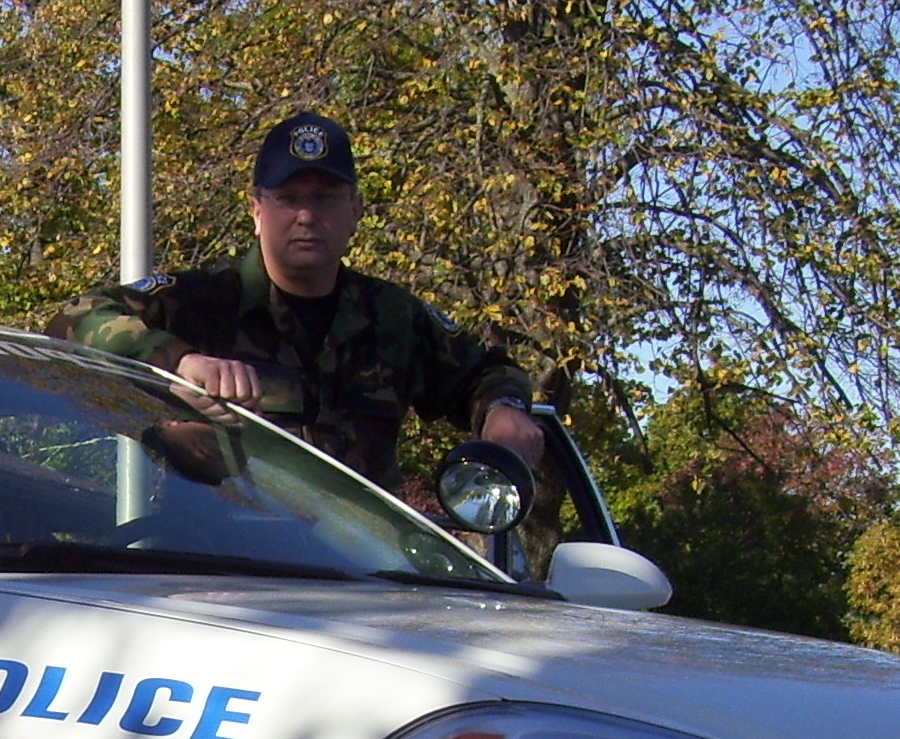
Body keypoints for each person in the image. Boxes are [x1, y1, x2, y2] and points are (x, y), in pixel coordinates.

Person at [48, 111, 545, 491]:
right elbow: (71, 320)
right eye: (288, 198)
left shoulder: (393, 318)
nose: (306, 216)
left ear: (355, 211)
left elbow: (486, 372)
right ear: (257, 211)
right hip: (213, 568)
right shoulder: (199, 302)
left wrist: (502, 408)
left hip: (361, 568)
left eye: (324, 198)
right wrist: (181, 362)